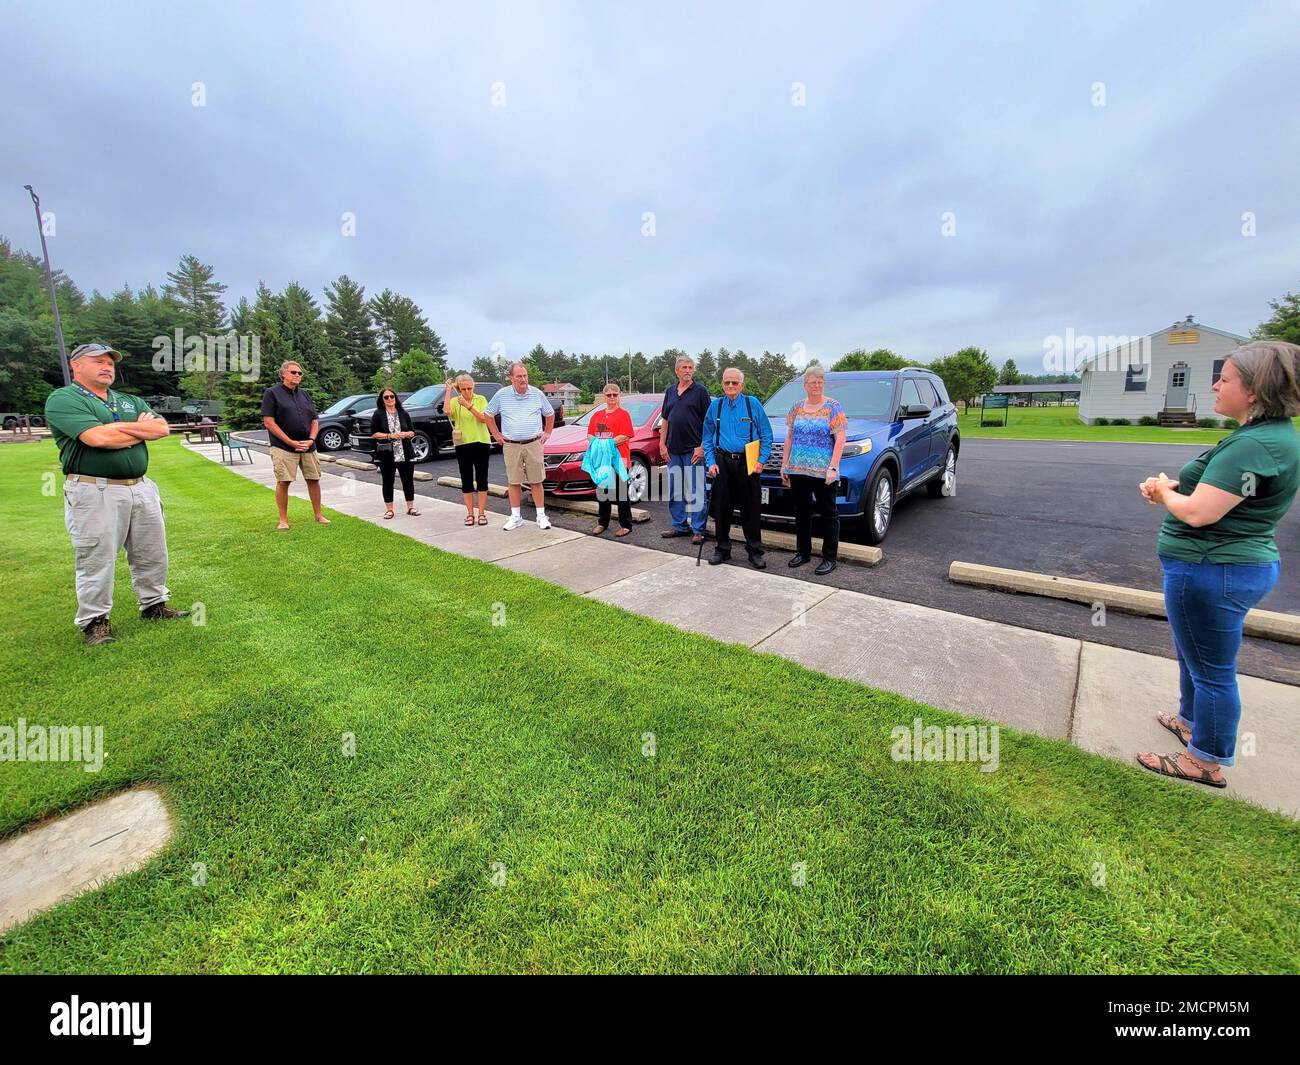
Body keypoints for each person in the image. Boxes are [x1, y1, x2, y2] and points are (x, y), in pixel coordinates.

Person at [1136, 339, 1300, 788]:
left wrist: (1163, 492)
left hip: (1213, 569)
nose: (1214, 385)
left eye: (1225, 379)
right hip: (1228, 566)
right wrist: (1174, 487)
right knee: (1197, 657)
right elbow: (1224, 496)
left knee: (1212, 671)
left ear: (1254, 390)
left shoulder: (1255, 446)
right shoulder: (1270, 437)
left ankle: (1204, 761)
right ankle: (1192, 724)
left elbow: (1199, 512)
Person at [43, 342, 189, 646]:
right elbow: (96, 438)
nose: (107, 366)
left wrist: (119, 431)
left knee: (152, 552)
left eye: (110, 362)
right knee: (97, 555)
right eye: (98, 361)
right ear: (77, 366)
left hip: (140, 486)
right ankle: (95, 622)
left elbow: (161, 429)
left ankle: (154, 605)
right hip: (94, 489)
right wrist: (136, 429)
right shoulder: (64, 399)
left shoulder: (128, 400)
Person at [780, 363, 847, 576]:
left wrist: (833, 467)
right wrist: (785, 464)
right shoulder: (797, 407)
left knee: (829, 513)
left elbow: (840, 439)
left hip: (823, 471)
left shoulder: (833, 407)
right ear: (805, 385)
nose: (816, 385)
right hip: (798, 470)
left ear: (823, 384)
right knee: (801, 512)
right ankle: (803, 552)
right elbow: (790, 436)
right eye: (812, 382)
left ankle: (829, 557)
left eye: (820, 381)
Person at [702, 367, 773, 568]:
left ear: (742, 385)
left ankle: (755, 552)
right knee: (722, 509)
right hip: (722, 462)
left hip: (748, 463)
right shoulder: (715, 406)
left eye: (735, 383)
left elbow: (766, 435)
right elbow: (706, 436)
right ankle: (722, 550)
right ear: (722, 384)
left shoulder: (753, 404)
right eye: (727, 383)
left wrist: (761, 459)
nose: (730, 386)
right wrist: (711, 461)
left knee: (750, 510)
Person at [485, 362, 555, 530]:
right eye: (519, 376)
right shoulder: (502, 395)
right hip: (511, 445)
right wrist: (495, 434)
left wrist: (547, 433)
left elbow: (550, 413)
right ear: (511, 378)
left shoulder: (537, 393)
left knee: (536, 480)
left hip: (533, 443)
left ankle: (541, 516)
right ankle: (516, 517)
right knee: (514, 481)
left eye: (525, 375)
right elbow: (488, 414)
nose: (523, 379)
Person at [261, 360, 330, 530]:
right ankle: (283, 520)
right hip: (283, 447)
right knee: (284, 481)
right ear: (284, 374)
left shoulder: (304, 394)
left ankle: (318, 515)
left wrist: (312, 439)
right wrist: (290, 442)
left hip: (308, 446)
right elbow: (269, 422)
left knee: (314, 479)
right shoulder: (272, 393)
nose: (298, 375)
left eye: (299, 373)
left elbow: (314, 420)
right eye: (294, 372)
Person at [659, 355, 711, 545]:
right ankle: (680, 526)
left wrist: (702, 447)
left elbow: (709, 422)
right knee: (676, 491)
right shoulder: (670, 392)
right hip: (673, 450)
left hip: (694, 451)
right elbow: (665, 420)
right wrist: (662, 444)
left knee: (697, 492)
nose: (688, 370)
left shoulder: (700, 392)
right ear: (677, 371)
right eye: (684, 367)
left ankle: (698, 530)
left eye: (690, 367)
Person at [443, 374, 492, 526]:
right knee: (466, 479)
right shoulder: (455, 401)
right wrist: (448, 390)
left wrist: (468, 406)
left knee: (482, 478)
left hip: (481, 441)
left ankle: (482, 513)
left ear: (474, 386)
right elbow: (447, 411)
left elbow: (484, 418)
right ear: (459, 389)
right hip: (463, 444)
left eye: (469, 388)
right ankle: (470, 513)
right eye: (463, 389)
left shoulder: (481, 399)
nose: (467, 391)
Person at [588, 382, 635, 537]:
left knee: (621, 493)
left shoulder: (624, 414)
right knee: (603, 492)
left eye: (615, 395)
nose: (612, 397)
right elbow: (590, 435)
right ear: (604, 396)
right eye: (609, 395)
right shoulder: (597, 415)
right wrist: (598, 443)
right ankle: (602, 522)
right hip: (602, 461)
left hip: (619, 460)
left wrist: (605, 443)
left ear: (618, 396)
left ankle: (626, 524)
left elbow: (625, 435)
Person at [369, 388, 421, 519]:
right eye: (386, 397)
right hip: (387, 452)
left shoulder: (403, 413)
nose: (389, 399)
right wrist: (389, 435)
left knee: (408, 480)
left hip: (405, 452)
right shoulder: (378, 414)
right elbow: (374, 434)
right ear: (382, 400)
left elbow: (412, 431)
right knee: (388, 481)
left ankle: (410, 507)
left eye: (391, 396)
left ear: (396, 398)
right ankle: (389, 510)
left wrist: (406, 434)